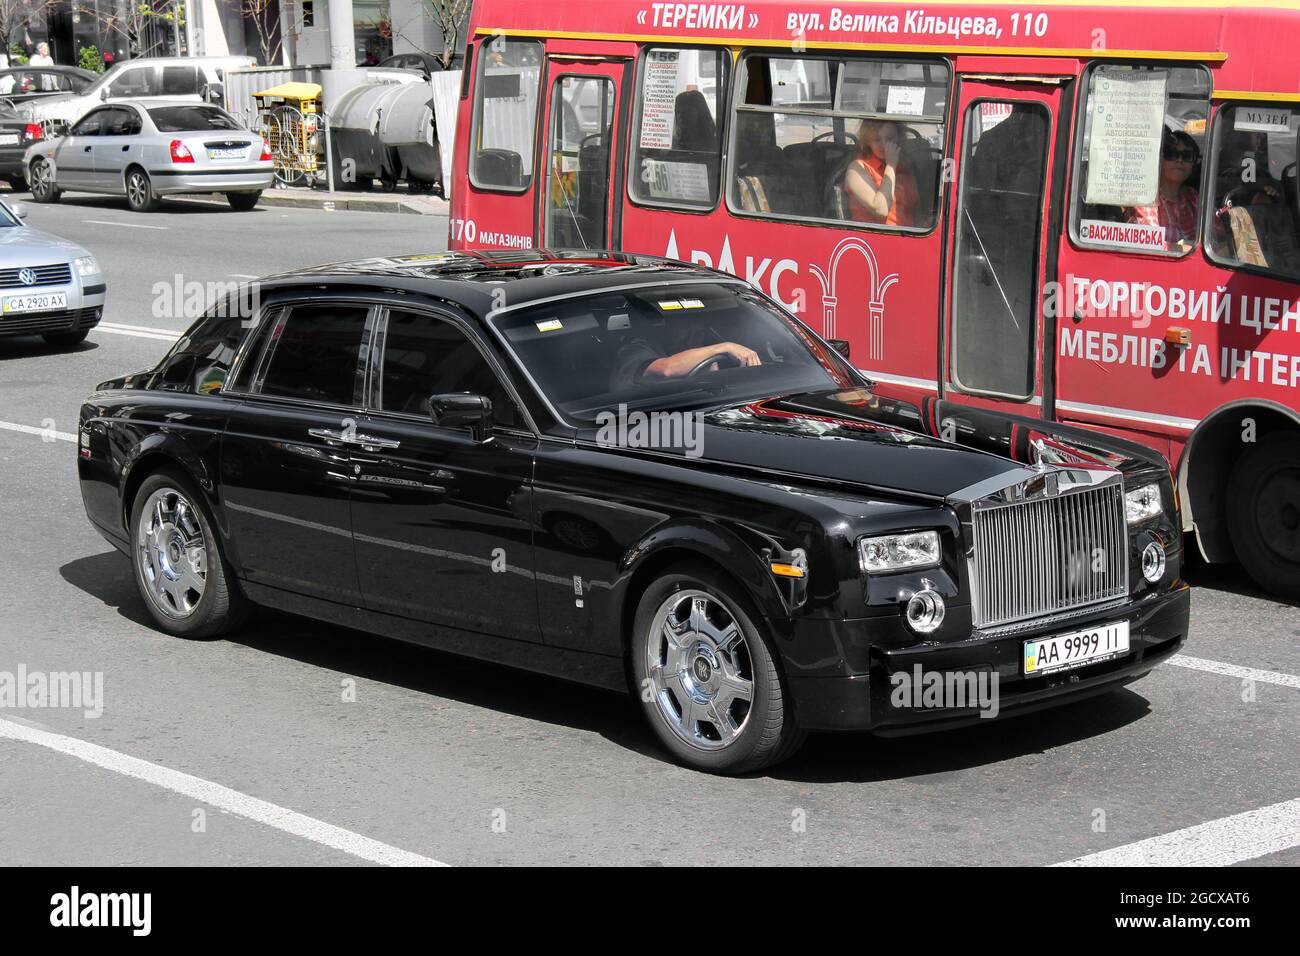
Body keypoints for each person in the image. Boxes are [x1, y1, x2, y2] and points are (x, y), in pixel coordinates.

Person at [1125, 129, 1200, 251]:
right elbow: (1150, 245)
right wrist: (1194, 251)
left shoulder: (1193, 197)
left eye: (1187, 156)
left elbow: (1218, 237)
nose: (1179, 160)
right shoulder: (1145, 197)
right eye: (1171, 154)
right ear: (1158, 160)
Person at [611, 329, 760, 389]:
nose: (693, 338)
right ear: (667, 327)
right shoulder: (634, 350)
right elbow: (667, 369)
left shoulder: (701, 353)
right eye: (686, 330)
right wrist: (725, 347)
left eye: (699, 333)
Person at [843, 118, 919, 226]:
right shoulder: (857, 168)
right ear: (868, 142)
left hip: (908, 235)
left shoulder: (904, 167)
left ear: (898, 138)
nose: (884, 145)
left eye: (890, 138)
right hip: (877, 237)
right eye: (877, 140)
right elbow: (881, 209)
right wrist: (890, 166)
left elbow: (914, 206)